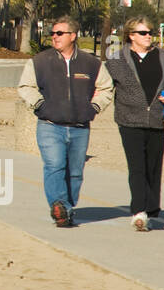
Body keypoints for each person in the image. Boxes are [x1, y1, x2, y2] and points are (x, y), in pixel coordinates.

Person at [18, 15, 114, 227]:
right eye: (53, 33)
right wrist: (41, 106)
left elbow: (106, 88)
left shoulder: (91, 63)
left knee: (75, 172)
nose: (54, 37)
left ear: (73, 36)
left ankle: (67, 208)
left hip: (80, 127)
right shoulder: (40, 61)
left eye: (59, 33)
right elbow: (26, 87)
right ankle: (58, 205)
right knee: (54, 165)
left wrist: (94, 108)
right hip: (49, 125)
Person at [105, 15, 164, 231]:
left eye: (150, 32)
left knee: (153, 167)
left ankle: (151, 208)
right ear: (131, 36)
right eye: (143, 32)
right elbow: (103, 83)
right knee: (137, 167)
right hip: (129, 120)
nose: (148, 36)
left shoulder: (162, 57)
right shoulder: (116, 59)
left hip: (157, 120)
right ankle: (139, 212)